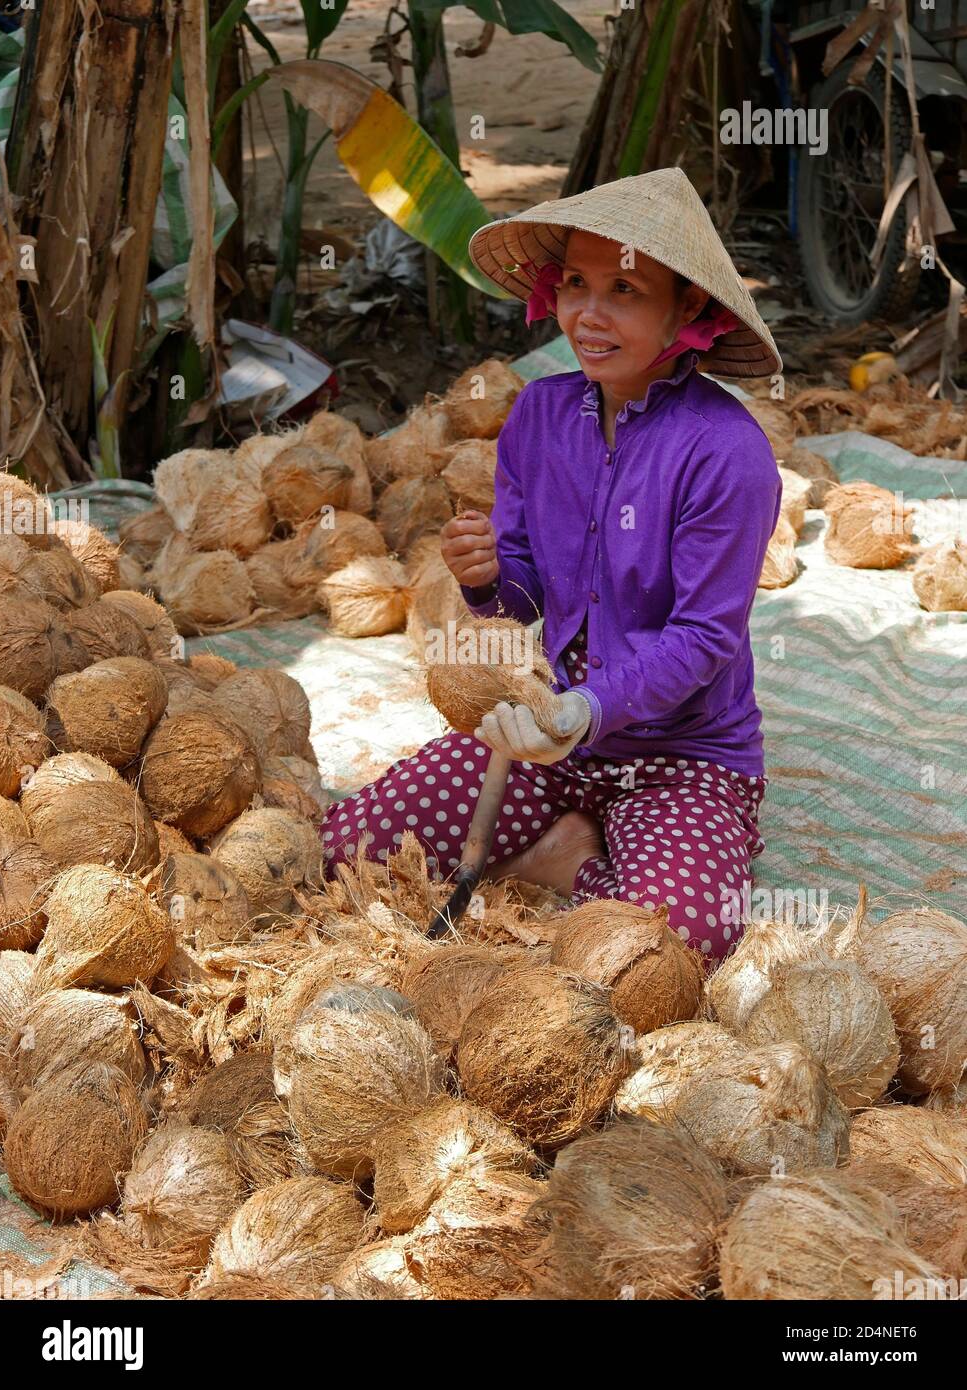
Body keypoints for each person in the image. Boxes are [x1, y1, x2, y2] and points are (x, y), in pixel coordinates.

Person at [321, 167, 782, 960]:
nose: (587, 315)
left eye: (624, 291)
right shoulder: (537, 415)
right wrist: (486, 579)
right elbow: (524, 595)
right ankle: (564, 840)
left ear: (690, 310)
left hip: (679, 758)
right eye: (574, 283)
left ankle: (561, 861)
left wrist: (587, 710)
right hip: (545, 736)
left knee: (672, 941)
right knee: (348, 846)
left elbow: (703, 640)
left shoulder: (726, 452)